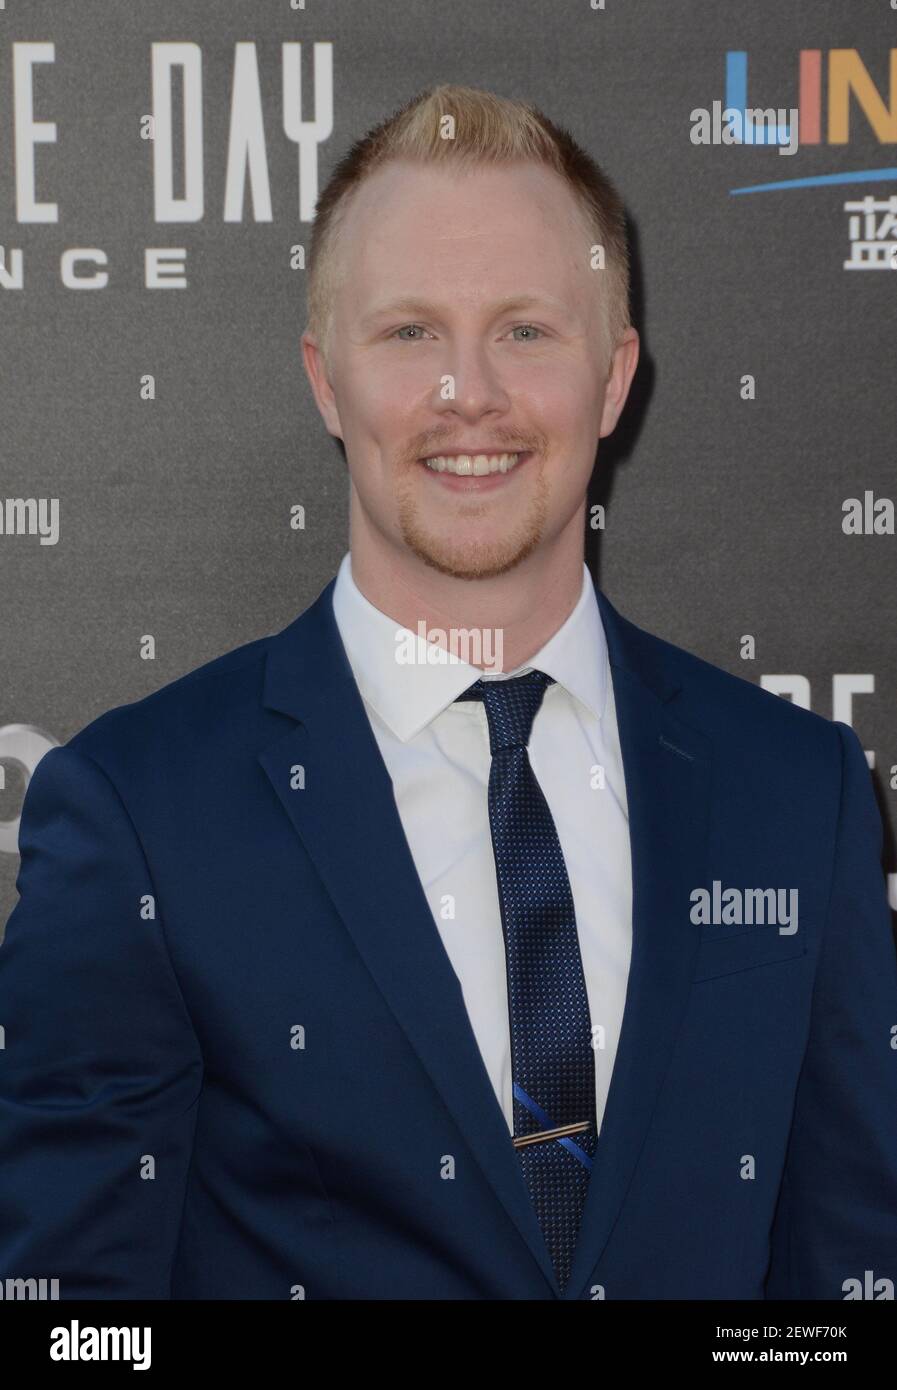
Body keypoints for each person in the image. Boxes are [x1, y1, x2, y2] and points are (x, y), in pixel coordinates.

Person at [1, 84, 895, 1302]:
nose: (466, 392)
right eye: (409, 331)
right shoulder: (139, 814)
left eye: (526, 330)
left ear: (616, 375)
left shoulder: (803, 796)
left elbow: (847, 1288)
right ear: (327, 380)